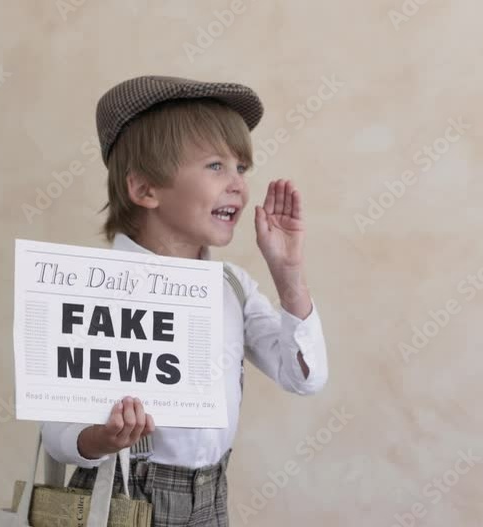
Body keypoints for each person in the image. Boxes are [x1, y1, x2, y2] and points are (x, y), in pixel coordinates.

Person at [40, 75, 329, 526]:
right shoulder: (89, 287)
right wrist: (103, 437)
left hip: (212, 499)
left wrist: (288, 277)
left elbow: (303, 378)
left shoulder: (232, 286)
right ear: (146, 190)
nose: (237, 184)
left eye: (241, 168)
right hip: (121, 500)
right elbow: (56, 433)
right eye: (216, 166)